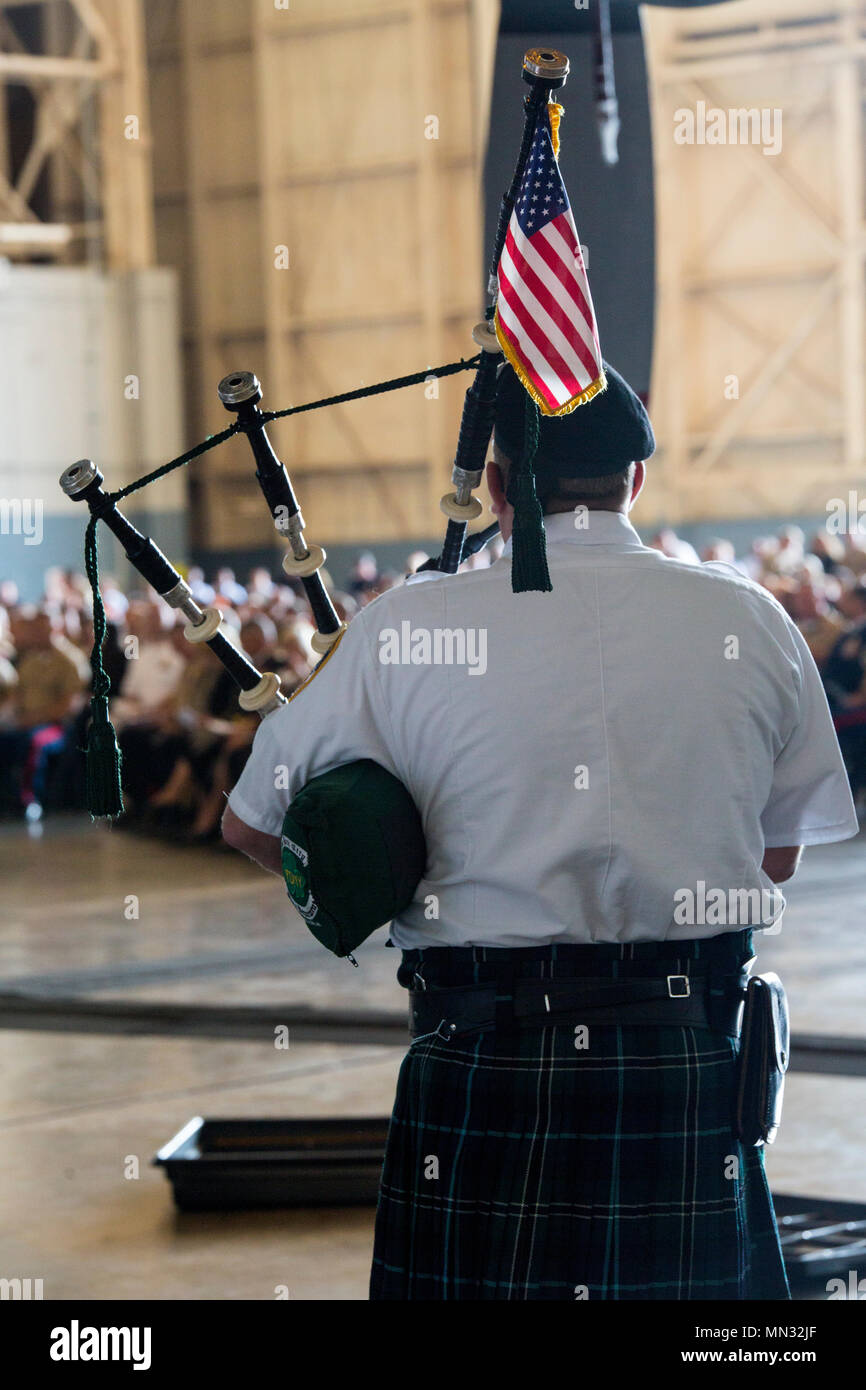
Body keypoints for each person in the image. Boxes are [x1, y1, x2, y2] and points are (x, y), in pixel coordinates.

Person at [221, 361, 858, 1301]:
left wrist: (383, 871)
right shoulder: (750, 620)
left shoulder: (405, 627)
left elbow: (251, 823)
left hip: (483, 1056)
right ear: (635, 480)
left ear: (492, 480)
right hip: (684, 1060)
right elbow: (779, 853)